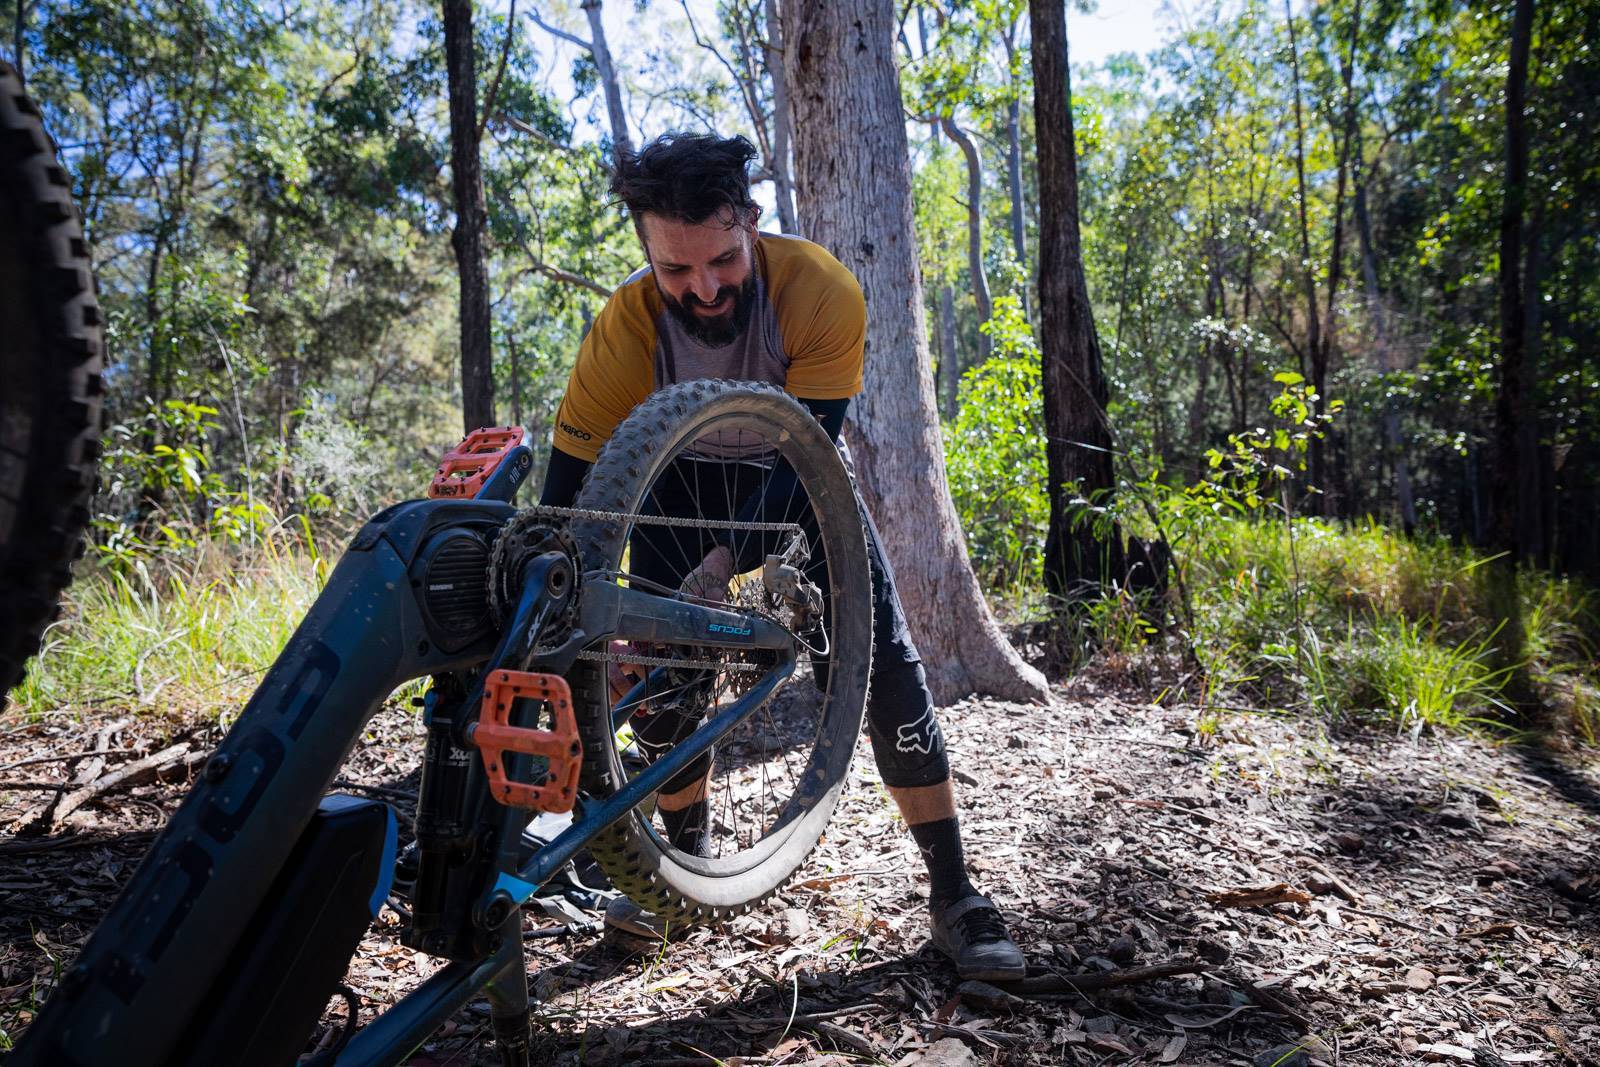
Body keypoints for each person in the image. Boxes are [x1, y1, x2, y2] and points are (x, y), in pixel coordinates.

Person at [536, 132, 1025, 982]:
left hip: (794, 475)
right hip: (676, 487)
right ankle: (677, 870)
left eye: (723, 259)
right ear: (647, 253)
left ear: (751, 222)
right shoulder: (621, 333)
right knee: (662, 684)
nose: (706, 287)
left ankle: (956, 894)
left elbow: (808, 453)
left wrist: (723, 573)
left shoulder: (817, 292)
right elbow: (570, 497)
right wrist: (581, 613)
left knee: (888, 676)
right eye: (676, 271)